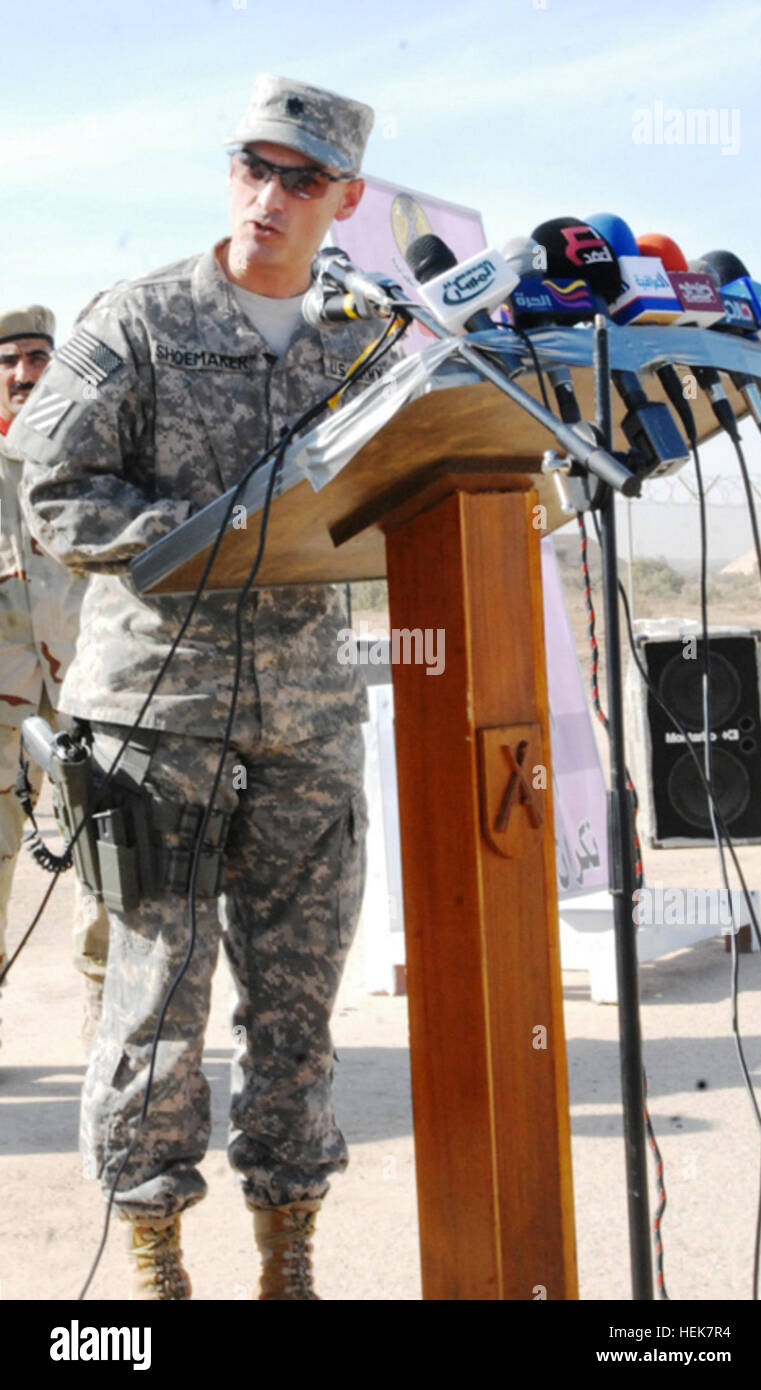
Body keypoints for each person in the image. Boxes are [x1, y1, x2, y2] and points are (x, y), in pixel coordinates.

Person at [13, 74, 393, 1301]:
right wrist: (207, 531)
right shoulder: (137, 320)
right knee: (153, 999)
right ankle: (155, 1271)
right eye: (251, 164)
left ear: (345, 196)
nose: (266, 196)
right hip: (155, 725)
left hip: (310, 724)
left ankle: (289, 1263)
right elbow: (55, 492)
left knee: (298, 1006)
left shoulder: (367, 339)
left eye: (298, 178)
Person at [0, 307, 109, 1049]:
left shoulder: (92, 457)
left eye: (39, 357)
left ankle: (111, 1022)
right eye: (8, 361)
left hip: (89, 691)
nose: (24, 374)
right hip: (4, 698)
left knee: (112, 857)